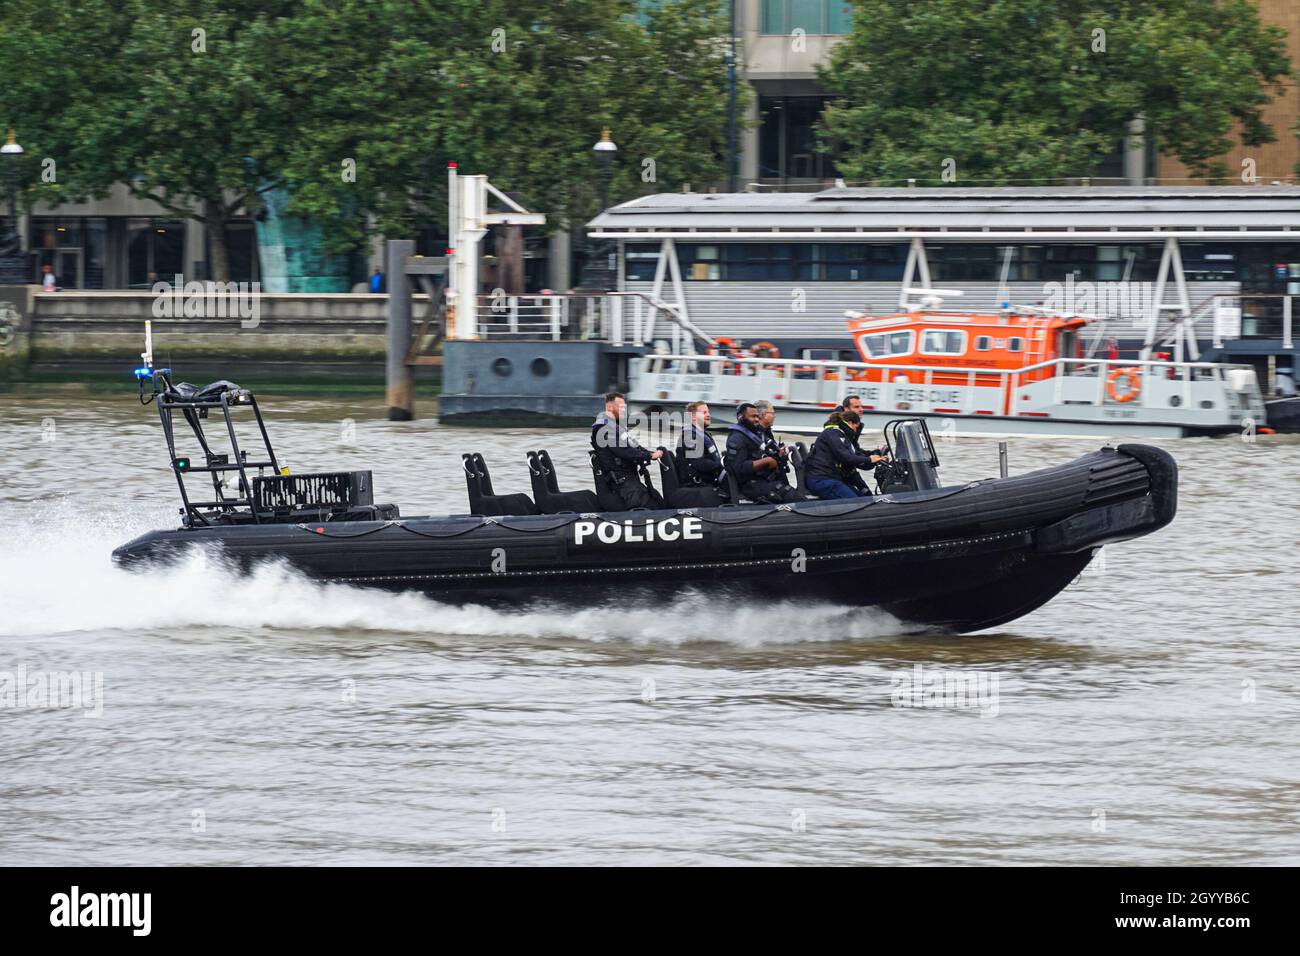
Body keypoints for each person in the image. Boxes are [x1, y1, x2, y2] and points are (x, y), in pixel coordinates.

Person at [591, 391, 663, 510]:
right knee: (650, 505)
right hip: (622, 484)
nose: (624, 410)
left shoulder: (618, 427)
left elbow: (634, 447)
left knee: (656, 499)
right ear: (609, 406)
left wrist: (650, 453)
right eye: (620, 407)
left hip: (631, 480)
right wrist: (649, 457)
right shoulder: (603, 428)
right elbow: (624, 451)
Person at [725, 403, 801, 504]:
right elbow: (738, 468)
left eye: (757, 416)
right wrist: (767, 461)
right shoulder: (736, 438)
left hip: (767, 480)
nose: (757, 419)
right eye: (753, 416)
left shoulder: (757, 435)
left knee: (794, 494)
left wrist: (778, 454)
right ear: (740, 418)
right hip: (752, 485)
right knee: (791, 496)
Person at [805, 409, 889, 499]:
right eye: (856, 427)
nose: (855, 430)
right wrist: (869, 459)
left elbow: (856, 455)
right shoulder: (833, 433)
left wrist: (877, 457)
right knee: (857, 503)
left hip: (832, 479)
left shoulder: (843, 436)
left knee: (863, 498)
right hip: (822, 479)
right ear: (850, 422)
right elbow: (846, 457)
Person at [675, 401, 726, 498]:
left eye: (708, 412)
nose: (708, 415)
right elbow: (699, 463)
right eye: (704, 413)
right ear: (693, 417)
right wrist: (722, 464)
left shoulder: (704, 435)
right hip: (697, 485)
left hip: (710, 480)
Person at [753, 400, 794, 492]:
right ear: (762, 414)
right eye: (772, 413)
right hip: (766, 481)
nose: (774, 416)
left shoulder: (766, 432)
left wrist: (780, 453)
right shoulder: (756, 435)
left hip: (777, 477)